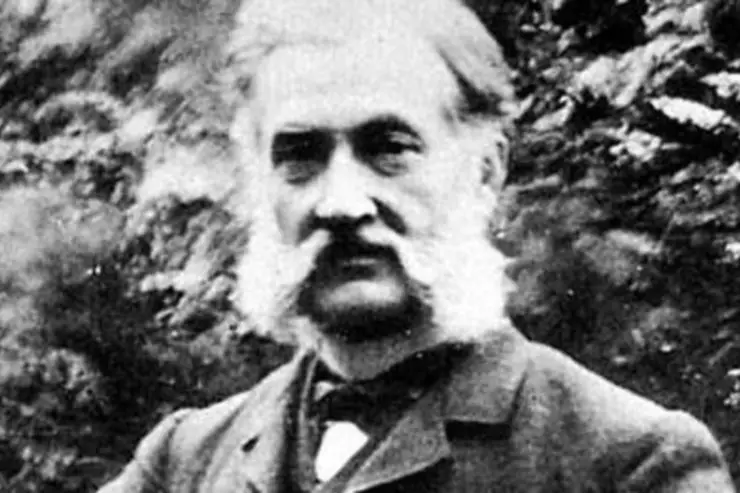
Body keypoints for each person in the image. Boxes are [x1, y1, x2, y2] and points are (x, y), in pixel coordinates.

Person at [98, 0, 736, 491]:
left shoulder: (629, 461)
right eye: (300, 155)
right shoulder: (184, 460)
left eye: (389, 149)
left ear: (486, 169)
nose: (341, 202)